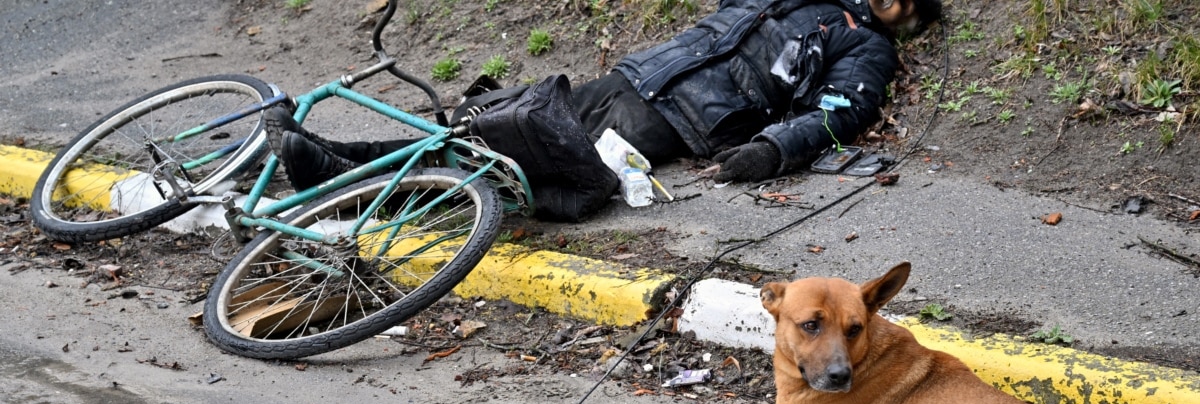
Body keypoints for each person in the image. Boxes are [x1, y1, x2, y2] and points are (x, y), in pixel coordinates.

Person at [268, 0, 941, 191]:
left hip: (680, 121)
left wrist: (771, 148)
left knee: (520, 162)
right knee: (492, 128)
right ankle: (340, 157)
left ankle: (341, 174)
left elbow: (842, 113)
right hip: (636, 76)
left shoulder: (867, 46)